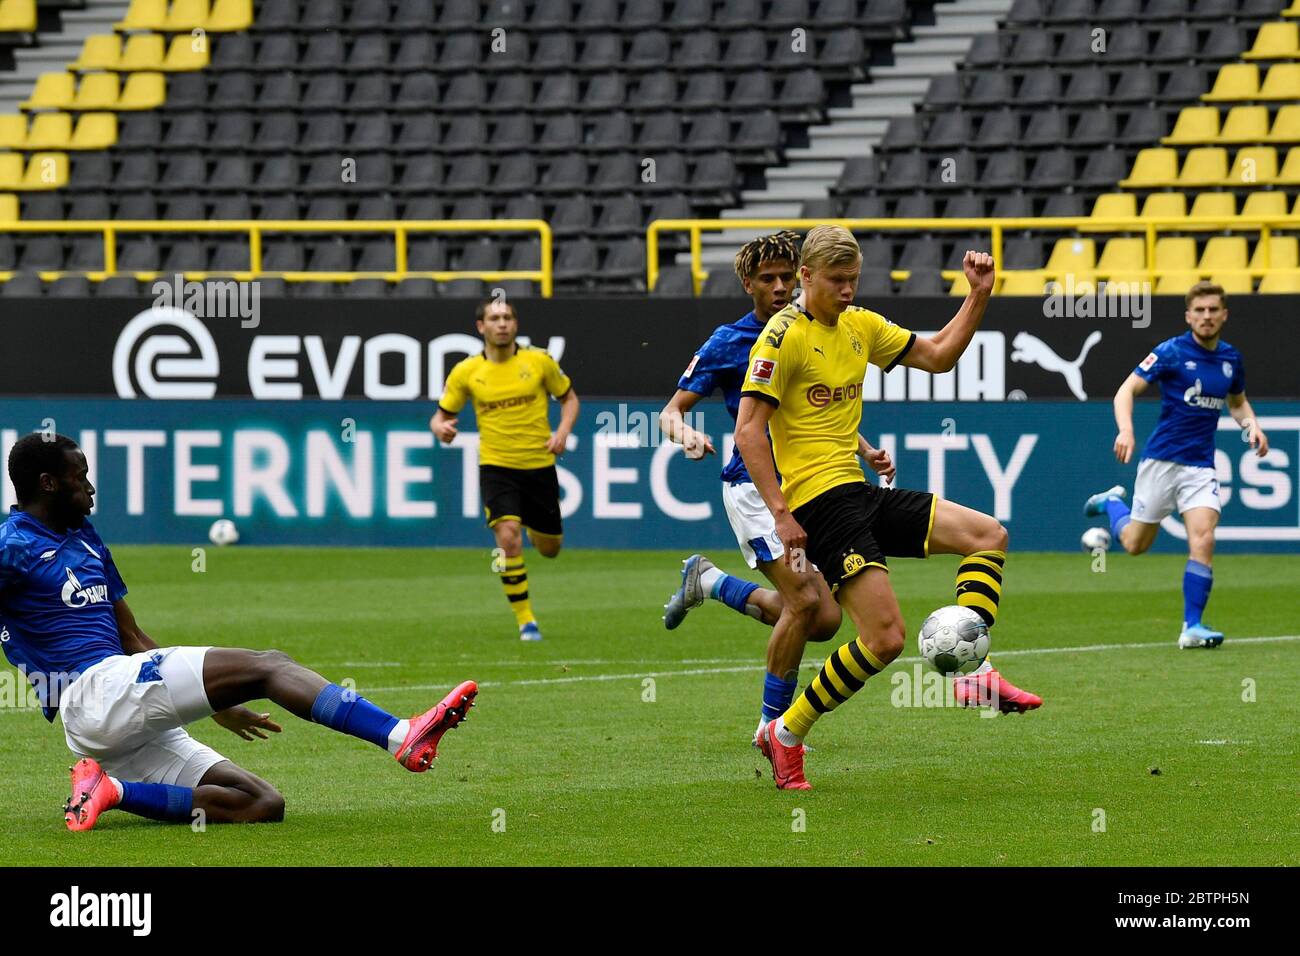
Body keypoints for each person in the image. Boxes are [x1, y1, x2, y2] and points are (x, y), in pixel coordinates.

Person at [0, 433, 476, 831]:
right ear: (48, 483)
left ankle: (110, 790)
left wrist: (217, 704)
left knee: (262, 803)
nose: (91, 487)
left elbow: (134, 638)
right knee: (269, 666)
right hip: (90, 694)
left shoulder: (83, 535)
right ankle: (399, 735)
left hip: (113, 712)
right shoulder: (12, 545)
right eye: (80, 476)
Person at [735, 224, 1042, 791]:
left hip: (858, 492)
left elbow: (940, 355)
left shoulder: (860, 325)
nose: (848, 291)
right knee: (884, 639)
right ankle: (786, 734)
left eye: (854, 280)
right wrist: (780, 512)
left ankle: (972, 671)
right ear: (806, 277)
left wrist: (977, 294)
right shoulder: (781, 338)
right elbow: (748, 431)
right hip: (820, 504)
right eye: (837, 281)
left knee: (988, 535)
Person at [658, 231, 895, 747]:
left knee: (825, 619)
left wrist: (863, 449)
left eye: (788, 277)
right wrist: (688, 435)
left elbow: (812, 410)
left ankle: (712, 583)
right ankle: (772, 725)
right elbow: (669, 413)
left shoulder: (813, 332)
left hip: (812, 488)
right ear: (748, 284)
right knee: (807, 601)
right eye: (768, 279)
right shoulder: (729, 341)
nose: (781, 286)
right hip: (755, 491)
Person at [1083, 280, 1269, 648]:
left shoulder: (1231, 359)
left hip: (1200, 467)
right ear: (1188, 316)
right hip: (1162, 462)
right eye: (1199, 311)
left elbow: (1237, 403)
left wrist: (1253, 427)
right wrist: (1125, 430)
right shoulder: (1170, 352)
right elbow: (1126, 390)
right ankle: (1111, 503)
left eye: (1213, 310)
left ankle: (1192, 627)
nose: (1206, 316)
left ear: (1224, 315)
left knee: (1203, 538)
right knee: (1135, 544)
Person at [431, 297, 580, 642]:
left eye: (508, 317)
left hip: (539, 466)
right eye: (495, 318)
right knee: (507, 536)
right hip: (496, 466)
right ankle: (526, 621)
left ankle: (534, 529)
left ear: (515, 324)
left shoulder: (538, 361)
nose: (502, 323)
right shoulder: (467, 371)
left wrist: (562, 432)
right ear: (481, 327)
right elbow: (440, 416)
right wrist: (440, 428)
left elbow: (569, 398)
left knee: (549, 548)